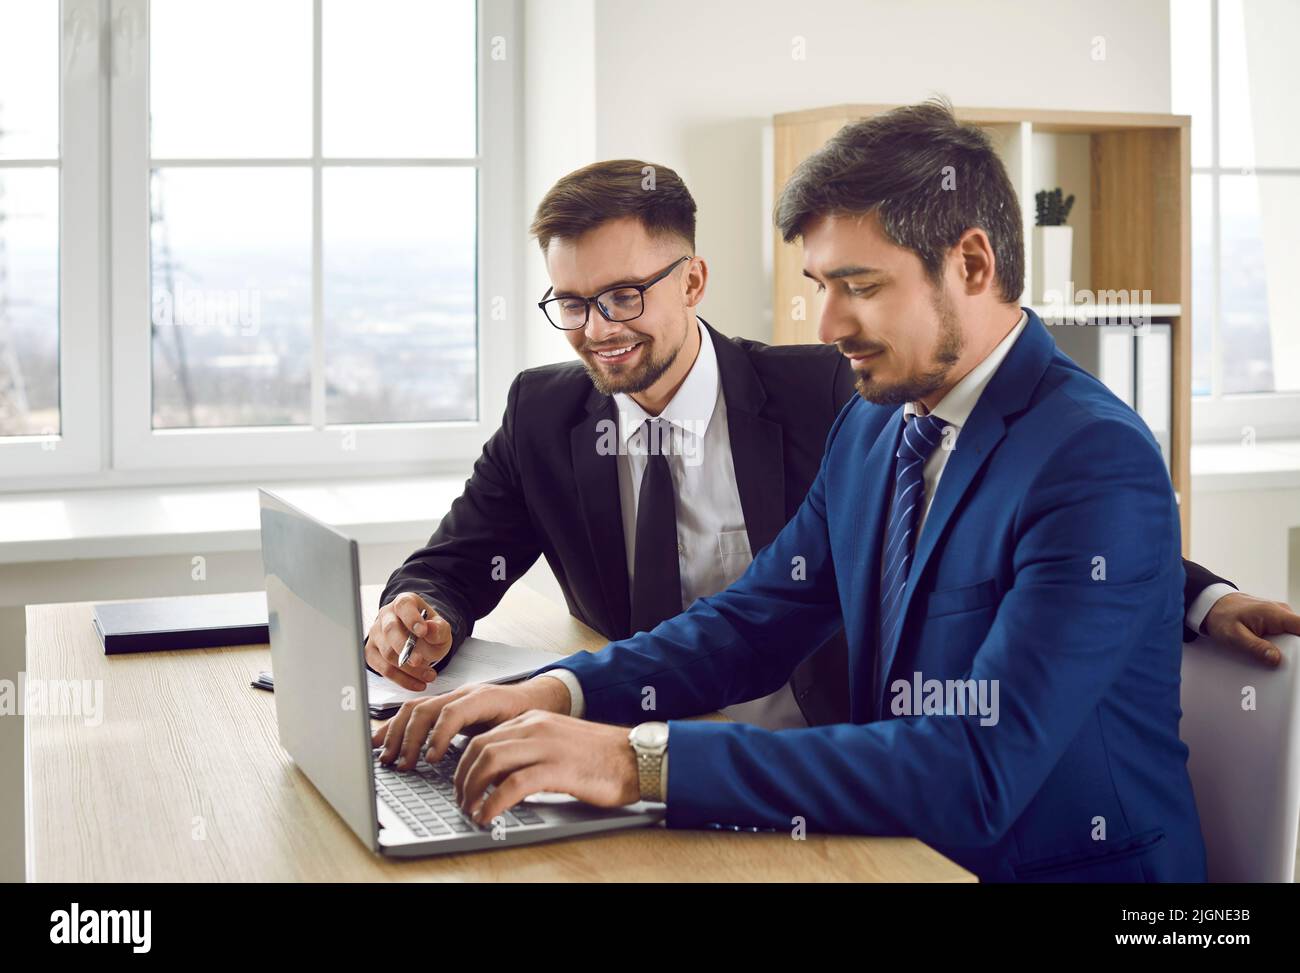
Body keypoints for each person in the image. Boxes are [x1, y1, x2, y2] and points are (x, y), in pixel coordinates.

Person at [375, 101, 1262, 882]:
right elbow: (753, 620)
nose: (829, 326)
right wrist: (556, 693)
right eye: (819, 288)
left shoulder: (1093, 457)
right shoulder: (879, 424)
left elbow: (975, 769)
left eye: (860, 287)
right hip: (892, 850)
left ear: (974, 264)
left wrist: (640, 761)